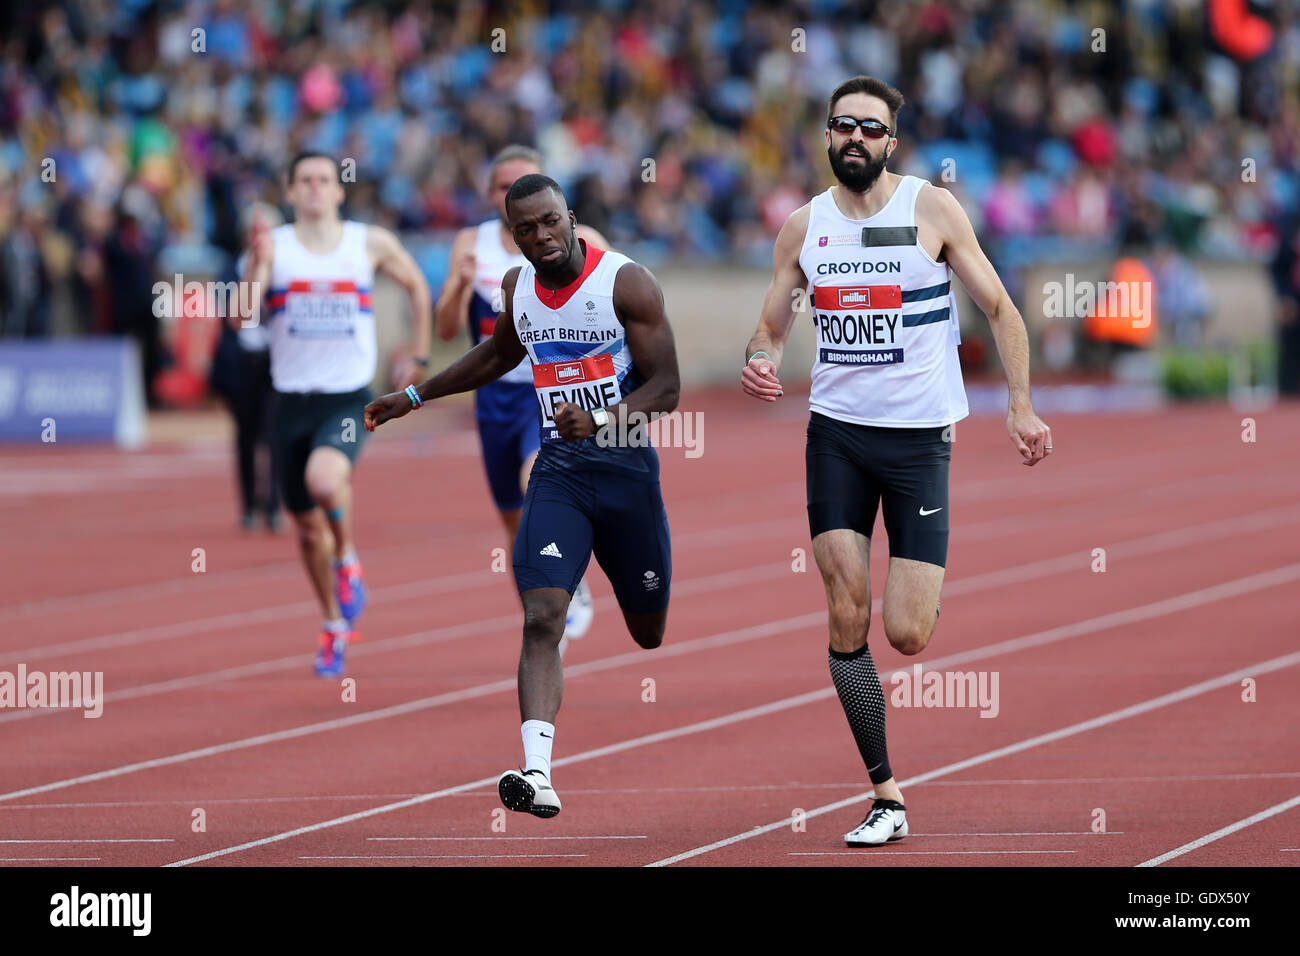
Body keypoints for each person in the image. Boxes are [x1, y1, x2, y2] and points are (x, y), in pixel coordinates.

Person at [741, 75, 1053, 846]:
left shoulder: (932, 210)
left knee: (906, 632)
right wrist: (760, 359)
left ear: (891, 143)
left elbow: (1001, 308)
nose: (855, 139)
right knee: (846, 607)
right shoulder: (802, 228)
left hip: (919, 442)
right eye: (843, 125)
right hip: (837, 435)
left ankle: (926, 591)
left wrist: (1020, 404)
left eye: (870, 129)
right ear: (825, 135)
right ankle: (886, 792)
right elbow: (772, 327)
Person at [365, 174, 679, 819]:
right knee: (540, 616)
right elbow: (499, 354)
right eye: (525, 229)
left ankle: (624, 593)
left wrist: (603, 418)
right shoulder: (518, 289)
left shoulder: (626, 282)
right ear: (514, 236)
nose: (541, 237)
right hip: (559, 470)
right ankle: (537, 773)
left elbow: (669, 388)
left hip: (625, 472)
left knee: (648, 631)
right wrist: (415, 397)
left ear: (571, 217)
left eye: (550, 222)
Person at [240, 152, 432, 678]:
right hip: (290, 400)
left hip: (348, 397)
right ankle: (332, 623)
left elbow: (416, 285)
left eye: (325, 179)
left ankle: (347, 556)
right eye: (306, 180)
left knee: (325, 481)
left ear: (339, 190)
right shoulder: (273, 247)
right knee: (305, 531)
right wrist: (255, 263)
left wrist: (418, 352)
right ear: (291, 189)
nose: (317, 188)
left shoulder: (367, 243)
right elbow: (240, 316)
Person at [435, 146, 612, 651]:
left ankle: (573, 580)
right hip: (494, 398)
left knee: (534, 483)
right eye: (500, 185)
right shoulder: (471, 244)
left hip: (554, 393)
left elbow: (619, 310)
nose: (510, 193)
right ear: (492, 195)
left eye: (525, 181)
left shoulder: (584, 242)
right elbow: (447, 330)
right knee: (517, 524)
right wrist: (459, 285)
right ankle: (543, 628)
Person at [212, 201, 283, 531]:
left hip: (276, 359)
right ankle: (248, 506)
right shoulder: (230, 269)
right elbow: (229, 315)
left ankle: (274, 506)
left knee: (273, 433)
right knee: (244, 435)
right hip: (241, 360)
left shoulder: (284, 268)